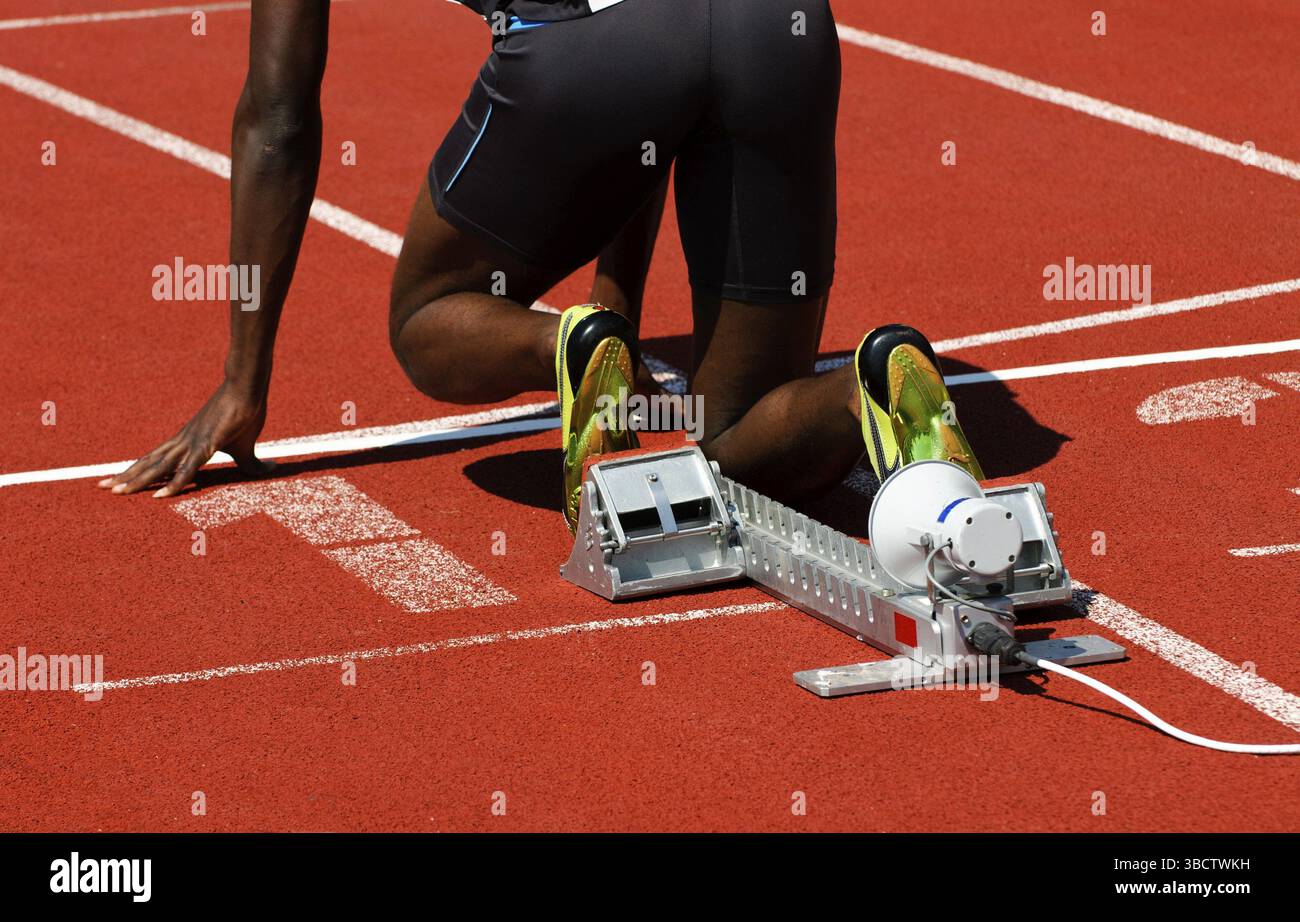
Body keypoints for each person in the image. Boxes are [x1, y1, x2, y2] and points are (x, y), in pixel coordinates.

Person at [103, 0, 985, 534]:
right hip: (778, 30)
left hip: (592, 51)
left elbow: (278, 119)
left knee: (428, 318)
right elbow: (657, 122)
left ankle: (556, 348)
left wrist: (242, 381)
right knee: (745, 436)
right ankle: (866, 386)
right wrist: (616, 303)